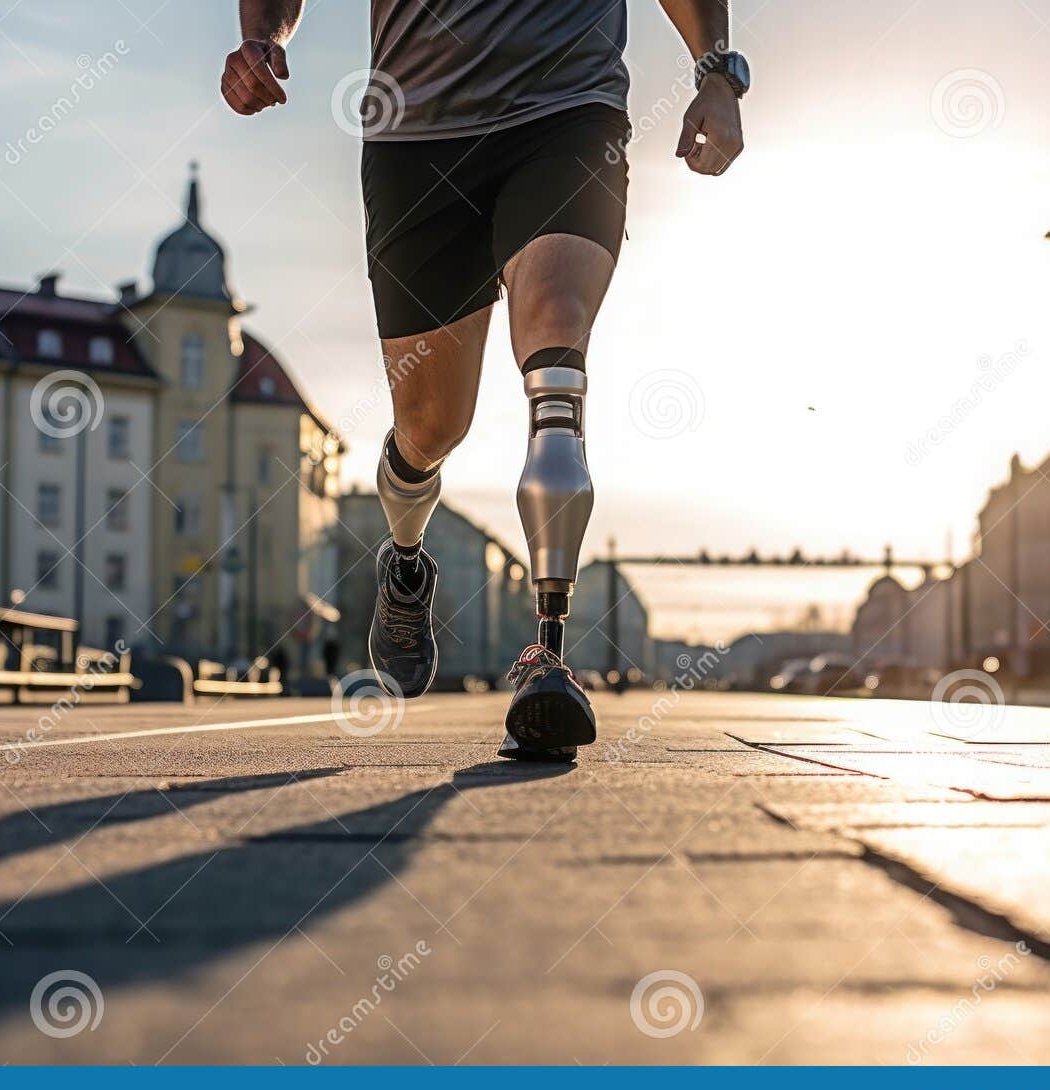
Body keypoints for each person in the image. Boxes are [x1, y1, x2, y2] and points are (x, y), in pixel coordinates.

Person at [222, 0, 748, 756]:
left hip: (569, 113)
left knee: (556, 324)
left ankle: (548, 657)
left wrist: (716, 71)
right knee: (433, 425)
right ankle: (405, 561)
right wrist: (260, 39)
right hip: (417, 139)